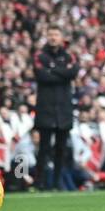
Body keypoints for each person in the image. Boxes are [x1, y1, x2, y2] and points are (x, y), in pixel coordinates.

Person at [33, 26, 77, 191]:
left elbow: (73, 72)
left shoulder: (69, 55)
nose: (53, 37)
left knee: (61, 149)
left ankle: (57, 182)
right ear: (47, 36)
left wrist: (52, 70)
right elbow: (41, 75)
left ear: (61, 37)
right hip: (46, 109)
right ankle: (39, 182)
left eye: (56, 34)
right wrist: (62, 72)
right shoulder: (39, 55)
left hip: (64, 109)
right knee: (43, 148)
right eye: (50, 34)